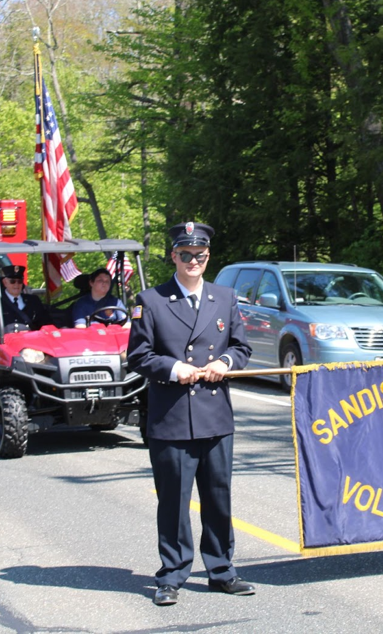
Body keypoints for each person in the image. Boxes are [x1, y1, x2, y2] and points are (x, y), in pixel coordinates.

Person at [126, 221, 254, 606]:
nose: (193, 261)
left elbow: (241, 346)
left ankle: (221, 570)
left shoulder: (225, 297)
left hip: (214, 415)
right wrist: (171, 367)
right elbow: (137, 355)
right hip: (172, 417)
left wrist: (228, 361)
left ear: (208, 256)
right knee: (174, 501)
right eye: (185, 255)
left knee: (218, 497)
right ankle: (172, 574)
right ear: (174, 256)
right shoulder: (151, 300)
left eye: (199, 255)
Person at [0, 264, 52, 344]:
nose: (16, 285)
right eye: (12, 281)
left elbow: (44, 322)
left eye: (19, 281)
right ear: (5, 282)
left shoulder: (33, 300)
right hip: (6, 344)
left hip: (32, 344)